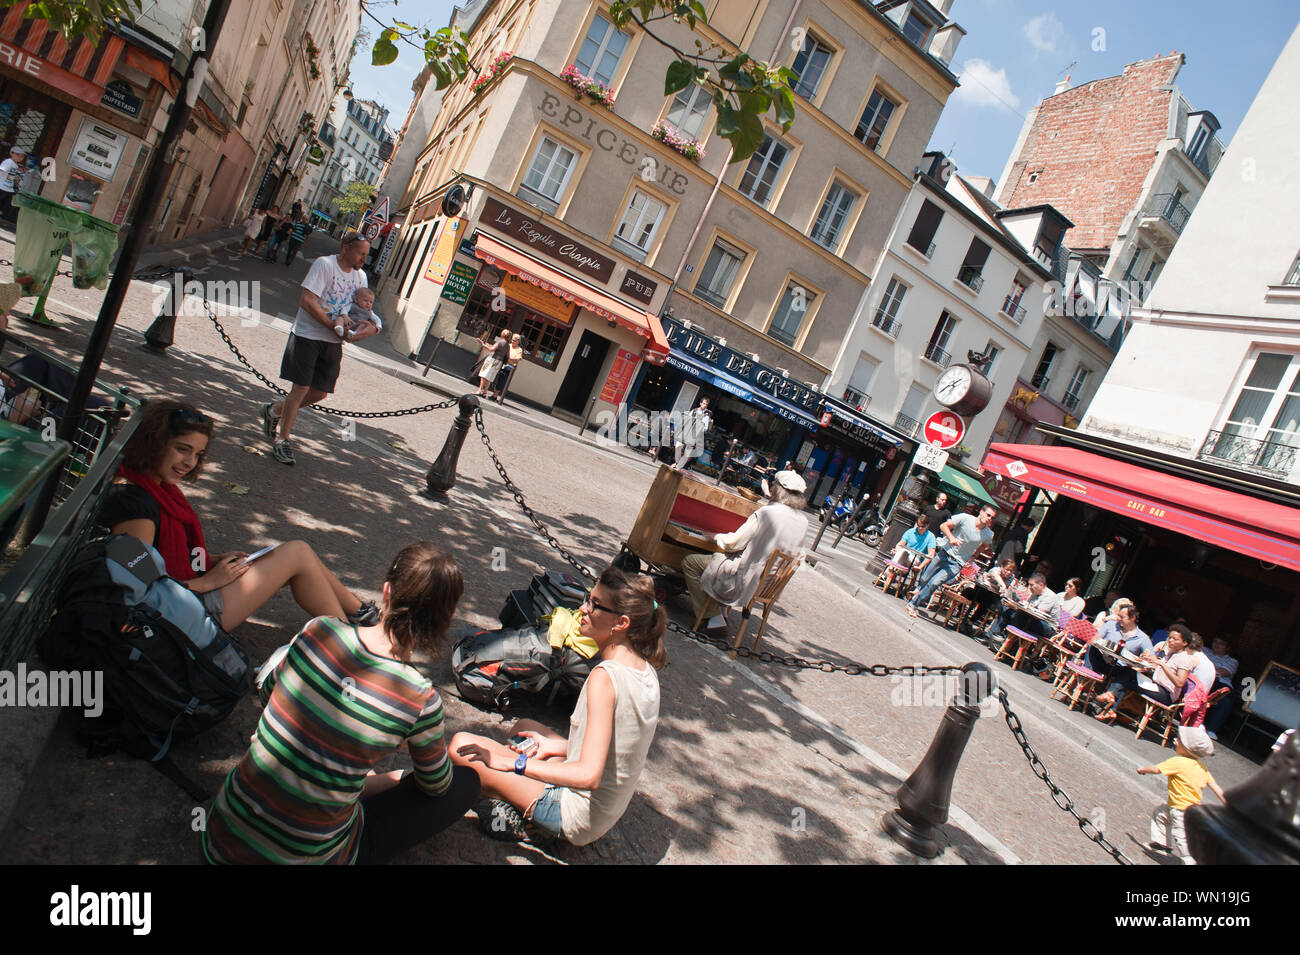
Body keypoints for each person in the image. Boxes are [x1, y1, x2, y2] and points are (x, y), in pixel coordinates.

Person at [202, 542, 481, 864]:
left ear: (387, 590)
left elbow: (269, 697)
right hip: (306, 856)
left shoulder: (319, 629)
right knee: (466, 782)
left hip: (224, 837)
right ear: (444, 619)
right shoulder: (420, 699)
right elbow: (435, 786)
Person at [101, 399, 379, 632]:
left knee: (298, 553)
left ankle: (359, 616)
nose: (190, 462)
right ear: (155, 443)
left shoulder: (158, 488)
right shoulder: (135, 505)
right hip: (180, 617)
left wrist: (213, 561)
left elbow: (161, 559)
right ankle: (347, 643)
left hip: (187, 596)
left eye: (198, 454)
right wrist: (210, 580)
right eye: (182, 449)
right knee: (296, 553)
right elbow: (139, 592)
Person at [450, 566, 664, 846]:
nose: (583, 609)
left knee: (460, 746)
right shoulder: (645, 670)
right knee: (525, 728)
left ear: (621, 623)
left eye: (595, 605)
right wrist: (559, 747)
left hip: (574, 815)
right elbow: (620, 749)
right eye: (588, 598)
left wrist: (514, 764)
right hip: (605, 810)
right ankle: (511, 796)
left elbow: (588, 776)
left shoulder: (604, 677)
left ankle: (521, 815)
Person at [260, 231, 374, 465]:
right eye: (361, 254)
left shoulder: (361, 277)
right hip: (308, 335)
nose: (364, 260)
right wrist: (332, 324)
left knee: (320, 392)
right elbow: (307, 300)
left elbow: (361, 312)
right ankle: (283, 440)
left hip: (333, 342)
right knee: (300, 388)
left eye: (366, 255)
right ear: (345, 249)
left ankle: (273, 411)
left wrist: (369, 330)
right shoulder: (325, 265)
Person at [681, 469, 807, 636]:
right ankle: (719, 611)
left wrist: (716, 536)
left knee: (690, 562)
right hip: (767, 586)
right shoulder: (804, 522)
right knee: (732, 560)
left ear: (778, 489)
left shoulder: (767, 513)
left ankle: (713, 618)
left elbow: (734, 543)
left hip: (744, 579)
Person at [1137, 724, 1225, 865]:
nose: (1175, 740)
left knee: (1183, 841)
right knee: (1160, 814)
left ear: (1187, 748)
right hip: (1190, 809)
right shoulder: (1202, 768)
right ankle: (1161, 845)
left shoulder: (1178, 762)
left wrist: (1142, 769)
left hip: (1180, 811)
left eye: (1178, 740)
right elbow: (1216, 788)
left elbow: (1156, 769)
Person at [905, 504, 997, 619]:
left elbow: (985, 546)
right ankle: (918, 590)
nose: (989, 519)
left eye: (992, 518)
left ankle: (914, 603)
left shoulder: (988, 534)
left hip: (957, 563)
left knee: (935, 582)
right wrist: (952, 538)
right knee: (925, 578)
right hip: (944, 553)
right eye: (988, 515)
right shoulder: (965, 518)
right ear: (981, 512)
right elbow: (944, 526)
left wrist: (974, 556)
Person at [1089, 605, 1153, 721]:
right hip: (1103, 661)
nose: (1118, 619)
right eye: (1118, 615)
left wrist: (1146, 656)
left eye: (1122, 617)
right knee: (1092, 648)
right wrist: (1103, 650)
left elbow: (1150, 659)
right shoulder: (1111, 625)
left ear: (1132, 618)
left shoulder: (1143, 638)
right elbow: (1094, 640)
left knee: (1128, 672)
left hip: (1119, 668)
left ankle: (1110, 697)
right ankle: (1089, 678)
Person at [986, 572, 1061, 643]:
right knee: (1006, 609)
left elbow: (1038, 615)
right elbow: (1027, 606)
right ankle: (991, 637)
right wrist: (1013, 605)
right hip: (1031, 618)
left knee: (1021, 616)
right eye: (1029, 585)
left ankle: (1008, 643)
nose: (1029, 587)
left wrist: (1016, 608)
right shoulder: (1035, 593)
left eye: (1032, 585)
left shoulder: (1050, 596)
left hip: (1046, 627)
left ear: (1041, 585)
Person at [878, 514, 935, 590]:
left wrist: (920, 567)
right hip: (903, 555)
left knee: (902, 553)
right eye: (918, 525)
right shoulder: (910, 532)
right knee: (902, 552)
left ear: (927, 526)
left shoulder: (930, 536)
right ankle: (890, 576)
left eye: (923, 526)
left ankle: (885, 576)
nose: (920, 528)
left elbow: (931, 554)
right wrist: (896, 549)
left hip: (916, 559)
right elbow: (900, 544)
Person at [1202, 637, 1240, 739]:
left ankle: (1211, 729)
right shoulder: (1204, 650)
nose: (1217, 644)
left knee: (1226, 698)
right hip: (1202, 678)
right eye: (1215, 641)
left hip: (1220, 683)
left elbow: (1222, 672)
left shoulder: (1232, 661)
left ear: (1227, 648)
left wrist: (1203, 665)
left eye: (1221, 643)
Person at [674, 397, 712, 471]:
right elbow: (687, 419)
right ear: (700, 403)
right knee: (678, 446)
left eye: (706, 404)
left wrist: (699, 428)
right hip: (686, 432)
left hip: (694, 436)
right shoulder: (694, 410)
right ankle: (677, 462)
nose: (705, 405)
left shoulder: (706, 415)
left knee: (687, 453)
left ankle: (678, 467)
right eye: (704, 403)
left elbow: (705, 428)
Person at [476, 330, 510, 398]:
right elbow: (507, 355)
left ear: (502, 334)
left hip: (492, 360)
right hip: (499, 362)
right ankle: (485, 392)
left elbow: (491, 349)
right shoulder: (508, 345)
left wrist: (483, 344)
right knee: (490, 377)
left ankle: (480, 390)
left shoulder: (500, 342)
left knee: (484, 375)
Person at [493, 332, 523, 402]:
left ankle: (495, 396)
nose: (512, 341)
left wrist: (511, 358)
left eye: (514, 341)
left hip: (509, 368)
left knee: (502, 382)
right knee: (496, 380)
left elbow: (518, 358)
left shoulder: (519, 349)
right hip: (501, 364)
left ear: (518, 342)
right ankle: (494, 394)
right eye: (512, 340)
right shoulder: (508, 345)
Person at [0, 145, 26, 222]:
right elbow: (2, 170)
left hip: (9, 188)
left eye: (22, 156)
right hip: (2, 186)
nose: (19, 157)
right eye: (17, 155)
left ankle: (3, 216)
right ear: (11, 153)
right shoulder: (8, 162)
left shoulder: (15, 165)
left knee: (6, 206)